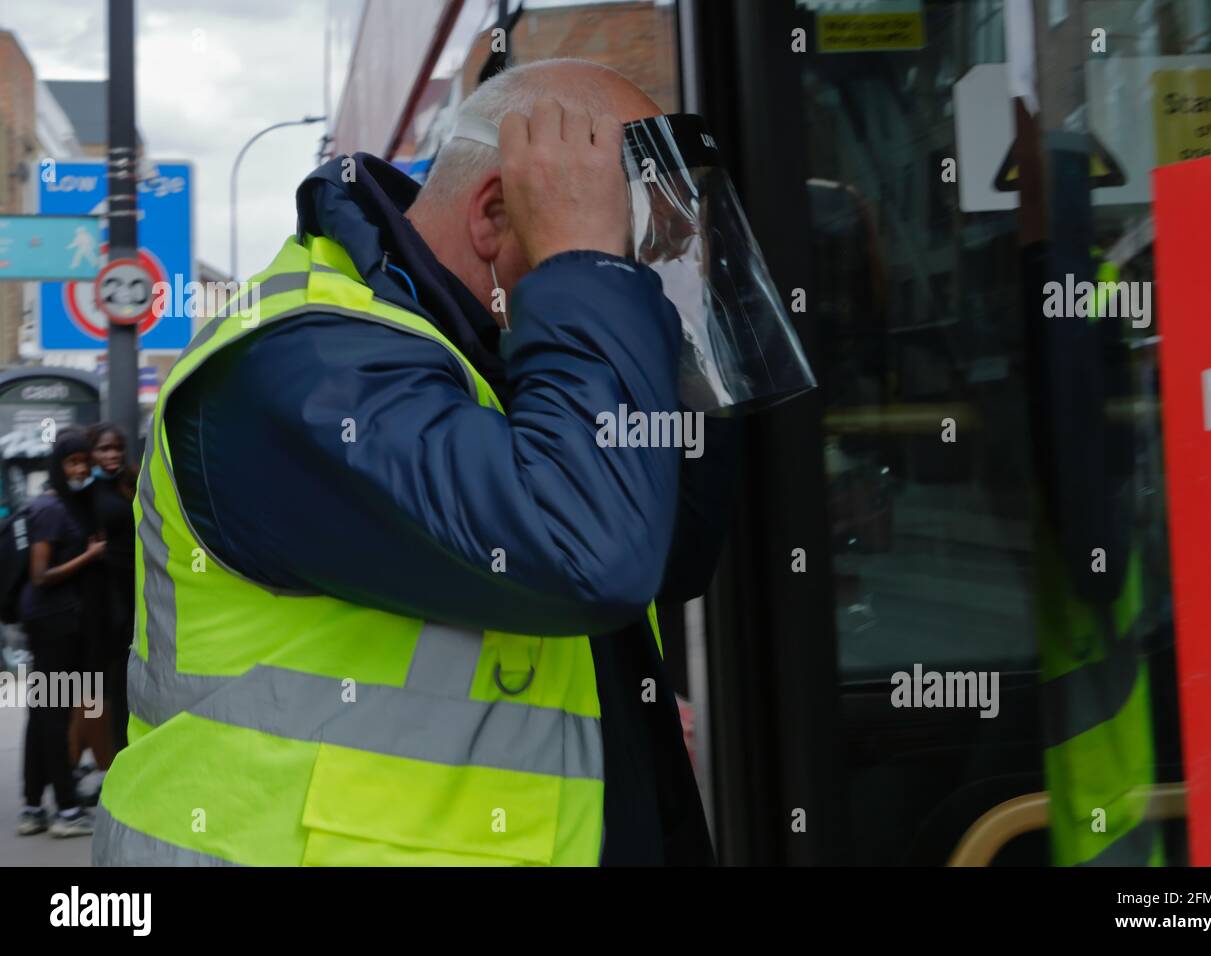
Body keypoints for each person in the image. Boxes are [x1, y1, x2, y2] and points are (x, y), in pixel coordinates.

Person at [94, 58, 739, 867]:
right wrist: (584, 273)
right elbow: (584, 554)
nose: (641, 298)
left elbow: (673, 546)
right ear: (496, 212)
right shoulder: (302, 369)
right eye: (632, 259)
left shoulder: (507, 354)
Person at [17, 428, 104, 838]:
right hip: (52, 625)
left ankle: (33, 808)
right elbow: (41, 574)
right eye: (73, 462)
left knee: (41, 716)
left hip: (58, 624)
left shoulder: (67, 504)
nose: (80, 469)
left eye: (84, 461)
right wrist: (89, 556)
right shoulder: (51, 509)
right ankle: (66, 812)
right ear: (58, 464)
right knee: (53, 716)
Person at [86, 422, 137, 756]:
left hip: (134, 592)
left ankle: (120, 751)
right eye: (104, 448)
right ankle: (106, 755)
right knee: (102, 687)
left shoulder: (129, 481)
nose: (112, 454)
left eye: (117, 447)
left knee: (123, 684)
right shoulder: (87, 494)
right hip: (105, 599)